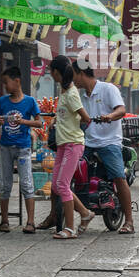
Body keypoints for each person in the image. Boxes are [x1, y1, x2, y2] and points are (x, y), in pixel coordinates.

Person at [72, 57, 136, 235]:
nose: (72, 80)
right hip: (88, 143)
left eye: (74, 75)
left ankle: (129, 221)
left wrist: (110, 116)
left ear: (82, 73)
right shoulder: (80, 96)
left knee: (118, 176)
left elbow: (121, 110)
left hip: (110, 142)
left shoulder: (108, 89)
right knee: (68, 174)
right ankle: (58, 216)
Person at [0, 66, 43, 233]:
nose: (5, 86)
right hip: (6, 148)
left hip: (23, 147)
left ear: (17, 81)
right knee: (4, 184)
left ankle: (30, 222)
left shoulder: (30, 101)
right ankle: (4, 220)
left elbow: (39, 123)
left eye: (6, 82)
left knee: (27, 183)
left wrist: (23, 122)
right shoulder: (2, 102)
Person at [49, 56, 91, 240]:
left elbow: (86, 117)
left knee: (63, 185)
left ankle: (70, 228)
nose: (51, 75)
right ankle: (85, 213)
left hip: (73, 144)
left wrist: (74, 125)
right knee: (57, 186)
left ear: (57, 73)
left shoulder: (72, 94)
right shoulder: (64, 91)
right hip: (63, 144)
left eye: (52, 72)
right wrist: (58, 120)